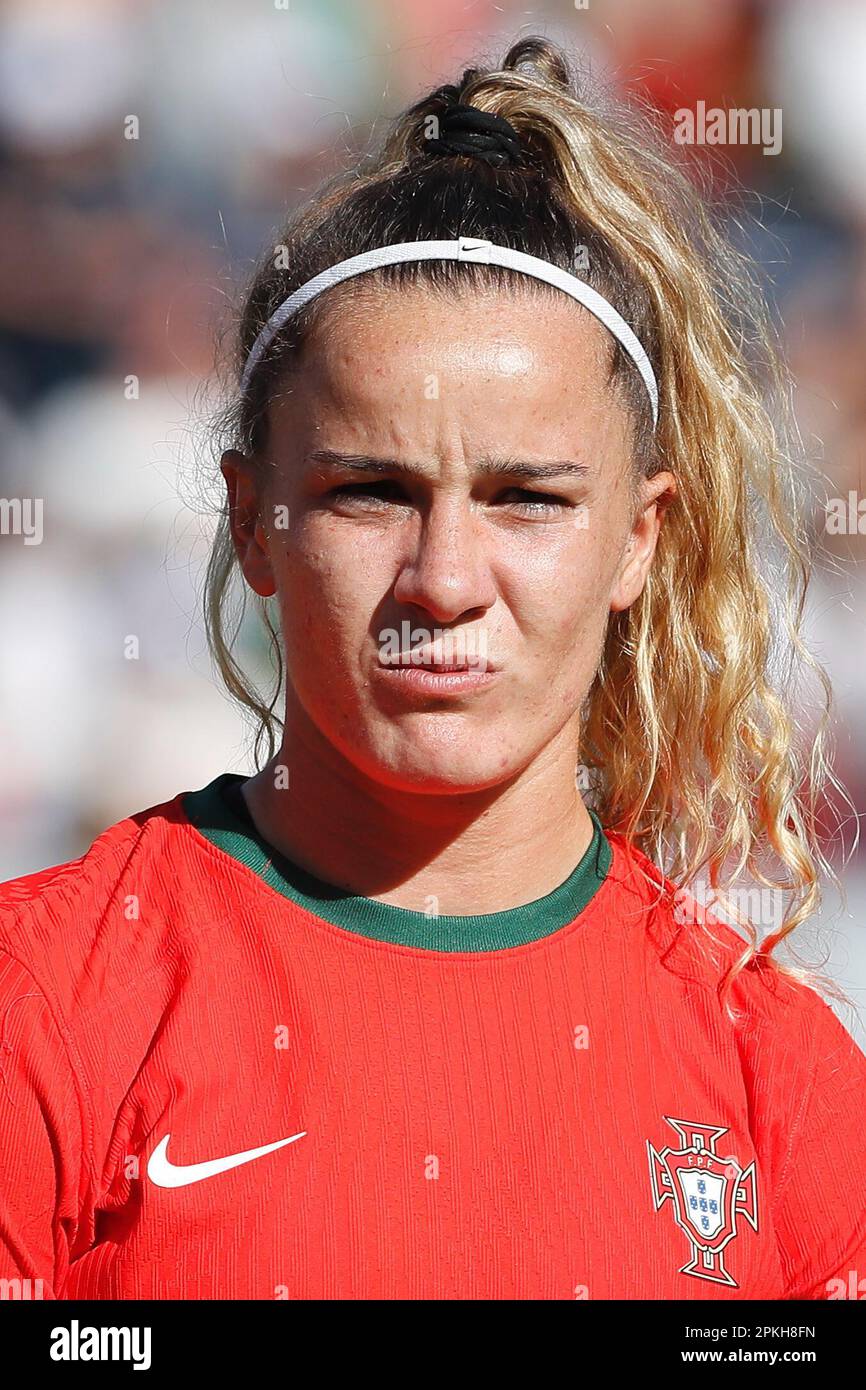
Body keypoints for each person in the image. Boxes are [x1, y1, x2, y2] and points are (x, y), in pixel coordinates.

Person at [1, 34, 864, 1302]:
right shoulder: (45, 1006)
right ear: (252, 521)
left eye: (525, 498)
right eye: (370, 492)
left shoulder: (773, 1074)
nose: (445, 577)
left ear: (639, 538)